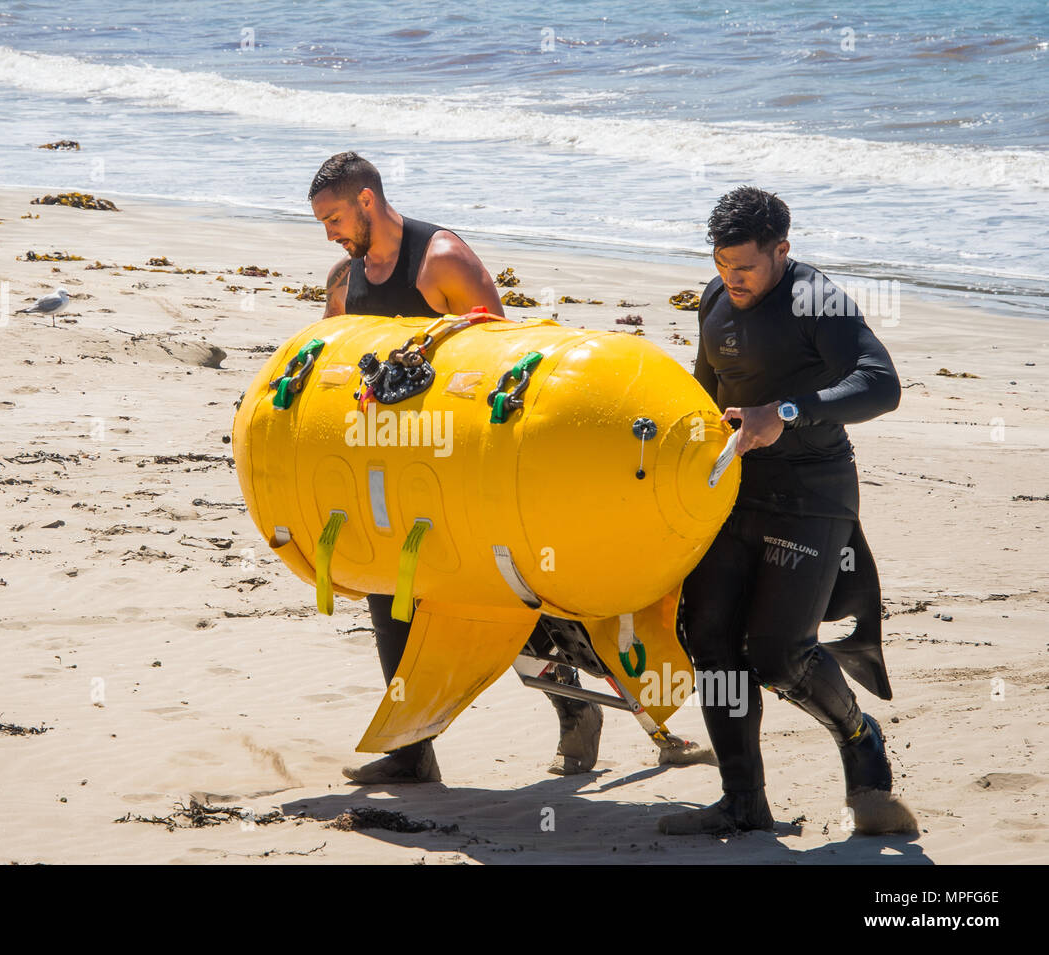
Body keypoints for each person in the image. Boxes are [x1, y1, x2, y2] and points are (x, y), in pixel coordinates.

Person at [308, 151, 604, 784]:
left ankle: (577, 712)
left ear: (366, 201)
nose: (330, 233)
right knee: (389, 589)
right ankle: (412, 753)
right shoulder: (345, 280)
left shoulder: (440, 260)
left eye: (334, 217)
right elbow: (336, 367)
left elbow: (506, 359)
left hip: (455, 461)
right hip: (388, 462)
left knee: (499, 594)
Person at [659, 186, 918, 836]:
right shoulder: (716, 300)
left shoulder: (813, 298)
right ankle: (743, 800)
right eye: (722, 265)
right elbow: (703, 394)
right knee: (710, 639)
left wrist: (789, 411)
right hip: (735, 490)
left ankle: (860, 738)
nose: (732, 280)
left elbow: (881, 383)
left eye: (745, 267)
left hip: (812, 492)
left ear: (783, 249)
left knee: (778, 655)